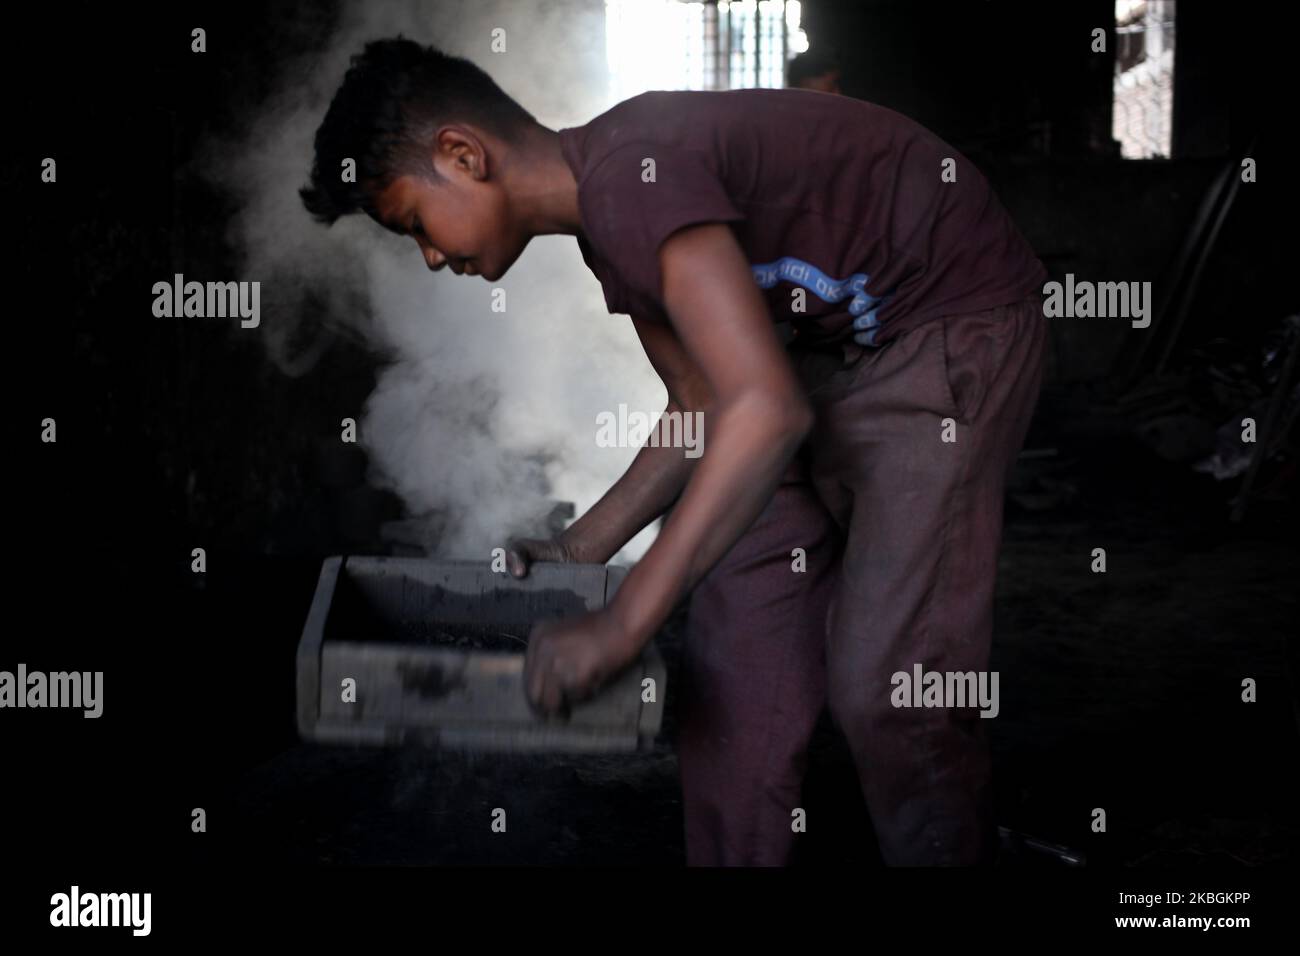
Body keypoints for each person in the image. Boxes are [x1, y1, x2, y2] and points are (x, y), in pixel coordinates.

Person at [301, 38, 1048, 866]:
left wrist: (625, 619)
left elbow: (765, 411)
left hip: (946, 318)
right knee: (732, 665)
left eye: (415, 224)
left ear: (463, 154)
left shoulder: (630, 180)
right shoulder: (607, 221)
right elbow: (702, 405)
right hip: (817, 346)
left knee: (888, 687)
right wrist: (580, 548)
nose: (433, 256)